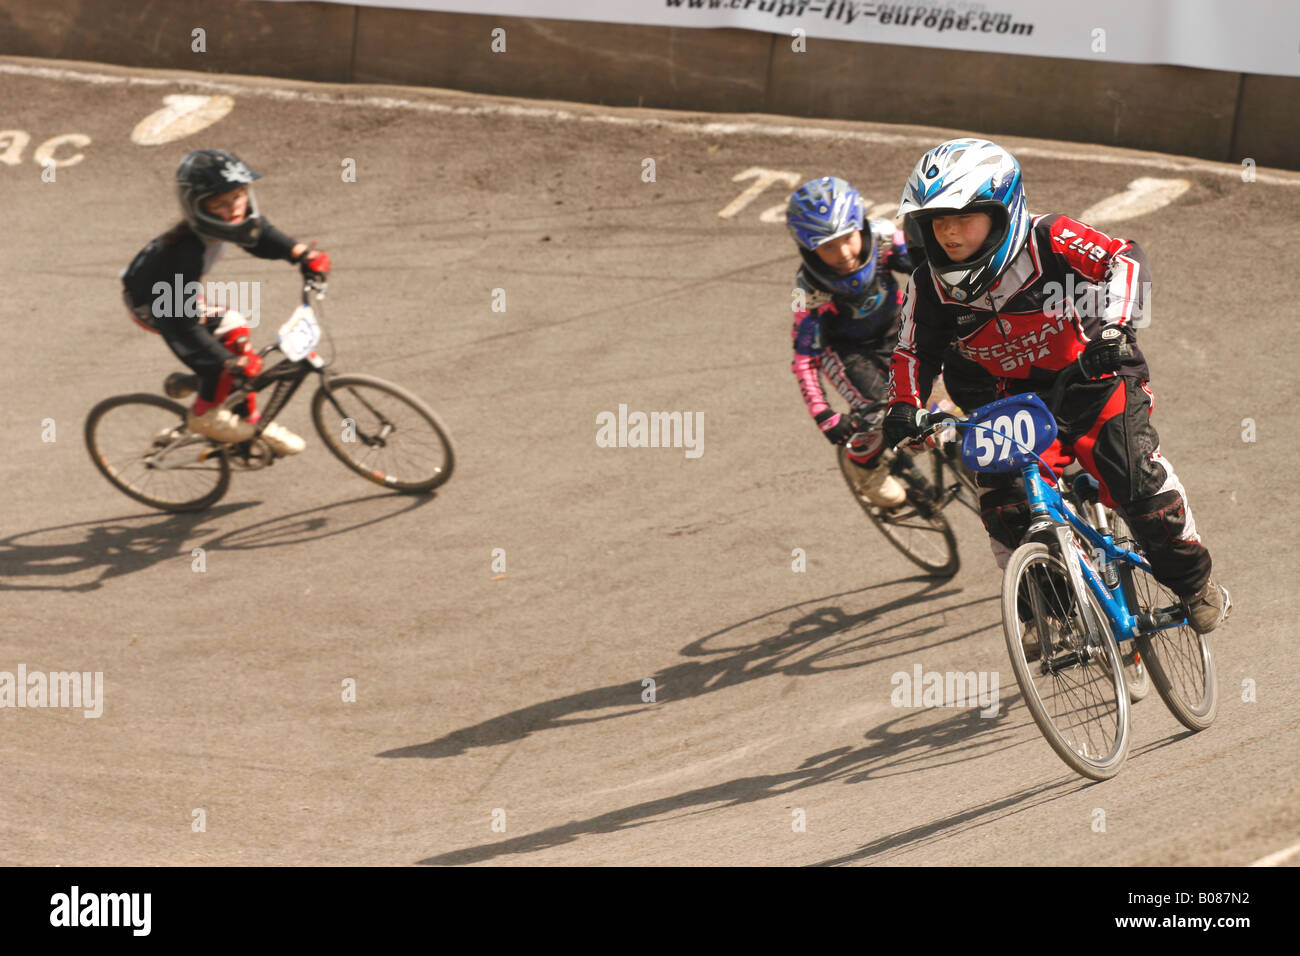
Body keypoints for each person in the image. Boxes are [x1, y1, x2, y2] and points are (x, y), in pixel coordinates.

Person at [882, 138, 1229, 633]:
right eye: (938, 222)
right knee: (1004, 507)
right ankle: (1056, 614)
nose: (950, 234)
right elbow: (911, 352)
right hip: (1010, 399)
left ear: (1004, 211)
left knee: (1132, 479)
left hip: (1093, 373)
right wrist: (903, 406)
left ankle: (1196, 583)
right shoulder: (926, 285)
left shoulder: (1051, 237)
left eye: (963, 218)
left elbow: (1123, 258)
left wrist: (1116, 327)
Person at [120, 149, 331, 456]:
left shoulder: (221, 222)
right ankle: (206, 413)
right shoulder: (184, 254)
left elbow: (258, 234)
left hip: (179, 296)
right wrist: (226, 362)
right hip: (158, 305)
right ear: (198, 207)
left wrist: (301, 253)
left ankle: (241, 415)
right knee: (227, 343)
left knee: (233, 343)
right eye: (220, 203)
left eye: (239, 195)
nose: (234, 208)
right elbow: (182, 325)